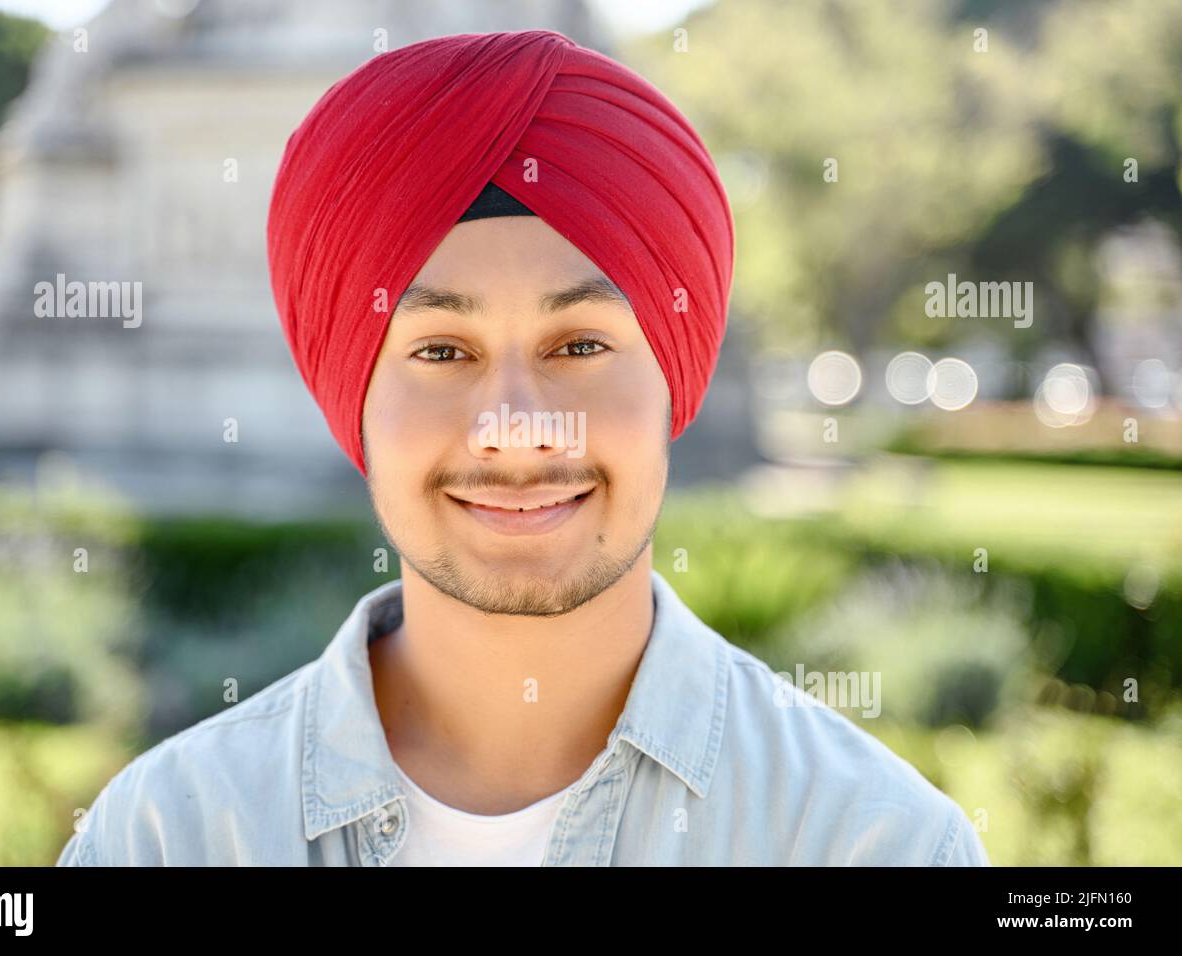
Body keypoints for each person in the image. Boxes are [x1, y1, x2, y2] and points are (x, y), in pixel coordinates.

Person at [57, 29, 988, 866]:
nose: (516, 426)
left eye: (579, 346)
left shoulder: (871, 842)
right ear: (354, 398)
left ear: (674, 375)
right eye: (440, 351)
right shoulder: (166, 838)